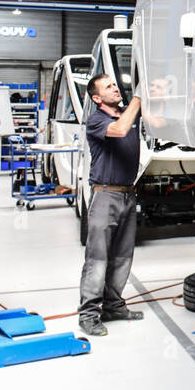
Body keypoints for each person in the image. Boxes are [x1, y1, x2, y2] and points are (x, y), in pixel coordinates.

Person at [78, 72, 145, 336]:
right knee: (98, 258)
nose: (115, 88)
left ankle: (114, 305)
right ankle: (88, 314)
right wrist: (138, 99)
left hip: (128, 194)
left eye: (115, 84)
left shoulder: (127, 114)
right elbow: (119, 130)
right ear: (97, 98)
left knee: (122, 256)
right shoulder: (97, 120)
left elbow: (156, 120)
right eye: (108, 87)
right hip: (105, 195)